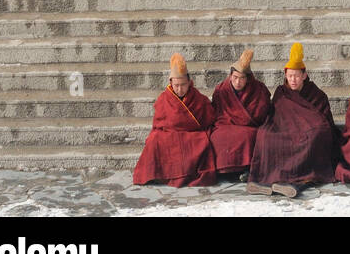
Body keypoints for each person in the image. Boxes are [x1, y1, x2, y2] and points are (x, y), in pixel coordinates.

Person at [248, 42, 337, 197]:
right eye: (290, 76)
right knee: (264, 134)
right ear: (285, 76)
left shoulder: (317, 95)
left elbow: (325, 122)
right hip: (284, 129)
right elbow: (274, 115)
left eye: (296, 76)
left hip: (306, 132)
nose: (293, 80)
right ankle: (265, 180)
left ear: (304, 75)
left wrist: (311, 128)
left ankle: (297, 180)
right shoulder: (281, 92)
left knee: (315, 136)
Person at [133, 53, 217, 187]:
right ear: (171, 83)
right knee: (154, 140)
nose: (179, 89)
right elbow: (158, 124)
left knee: (204, 141)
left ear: (190, 83)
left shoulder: (199, 99)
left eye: (183, 85)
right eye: (176, 85)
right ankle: (158, 175)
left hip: (193, 133)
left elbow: (208, 120)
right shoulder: (163, 99)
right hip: (170, 133)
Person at [210, 48, 272, 179]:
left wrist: (244, 121)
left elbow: (261, 113)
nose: (238, 82)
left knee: (250, 136)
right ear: (230, 76)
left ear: (248, 78)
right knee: (217, 137)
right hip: (226, 124)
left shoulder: (258, 89)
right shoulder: (222, 90)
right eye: (235, 77)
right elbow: (217, 112)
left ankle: (246, 169)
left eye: (242, 78)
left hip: (249, 127)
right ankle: (225, 171)